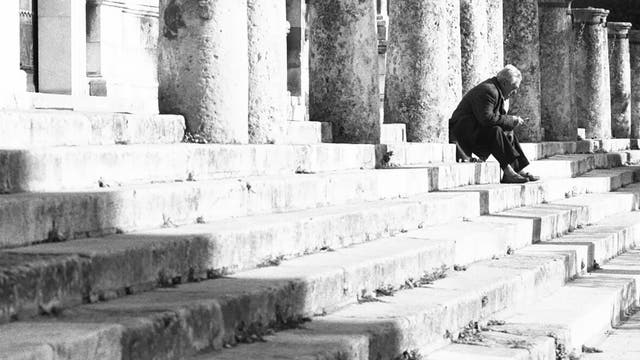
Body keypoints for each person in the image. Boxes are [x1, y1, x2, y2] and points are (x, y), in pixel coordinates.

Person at [449, 65, 539, 183]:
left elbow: (497, 118)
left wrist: (512, 122)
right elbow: (487, 119)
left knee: (507, 130)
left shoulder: (497, 90)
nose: (515, 92)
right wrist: (511, 120)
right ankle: (508, 171)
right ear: (505, 83)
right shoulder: (489, 90)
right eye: (513, 88)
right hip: (464, 133)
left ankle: (517, 168)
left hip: (474, 130)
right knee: (496, 131)